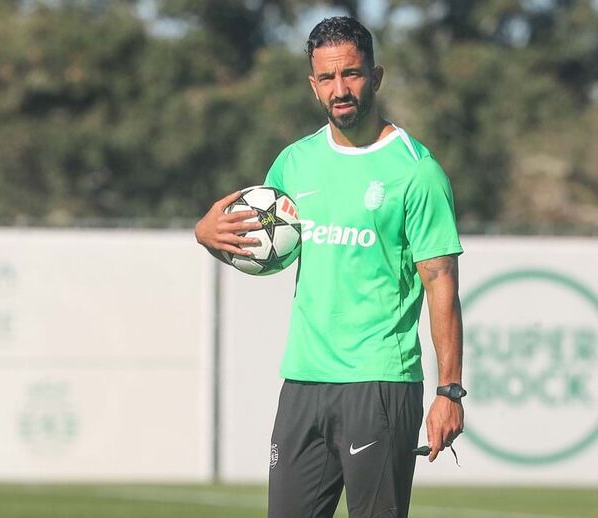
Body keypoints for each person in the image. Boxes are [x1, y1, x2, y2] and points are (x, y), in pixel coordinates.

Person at [195, 16, 465, 518]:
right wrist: (209, 237)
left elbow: (441, 283)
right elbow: (265, 250)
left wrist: (449, 390)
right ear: (314, 85)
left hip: (380, 384)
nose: (340, 89)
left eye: (352, 74)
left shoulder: (416, 171)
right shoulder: (294, 163)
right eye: (327, 78)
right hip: (303, 383)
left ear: (376, 77)